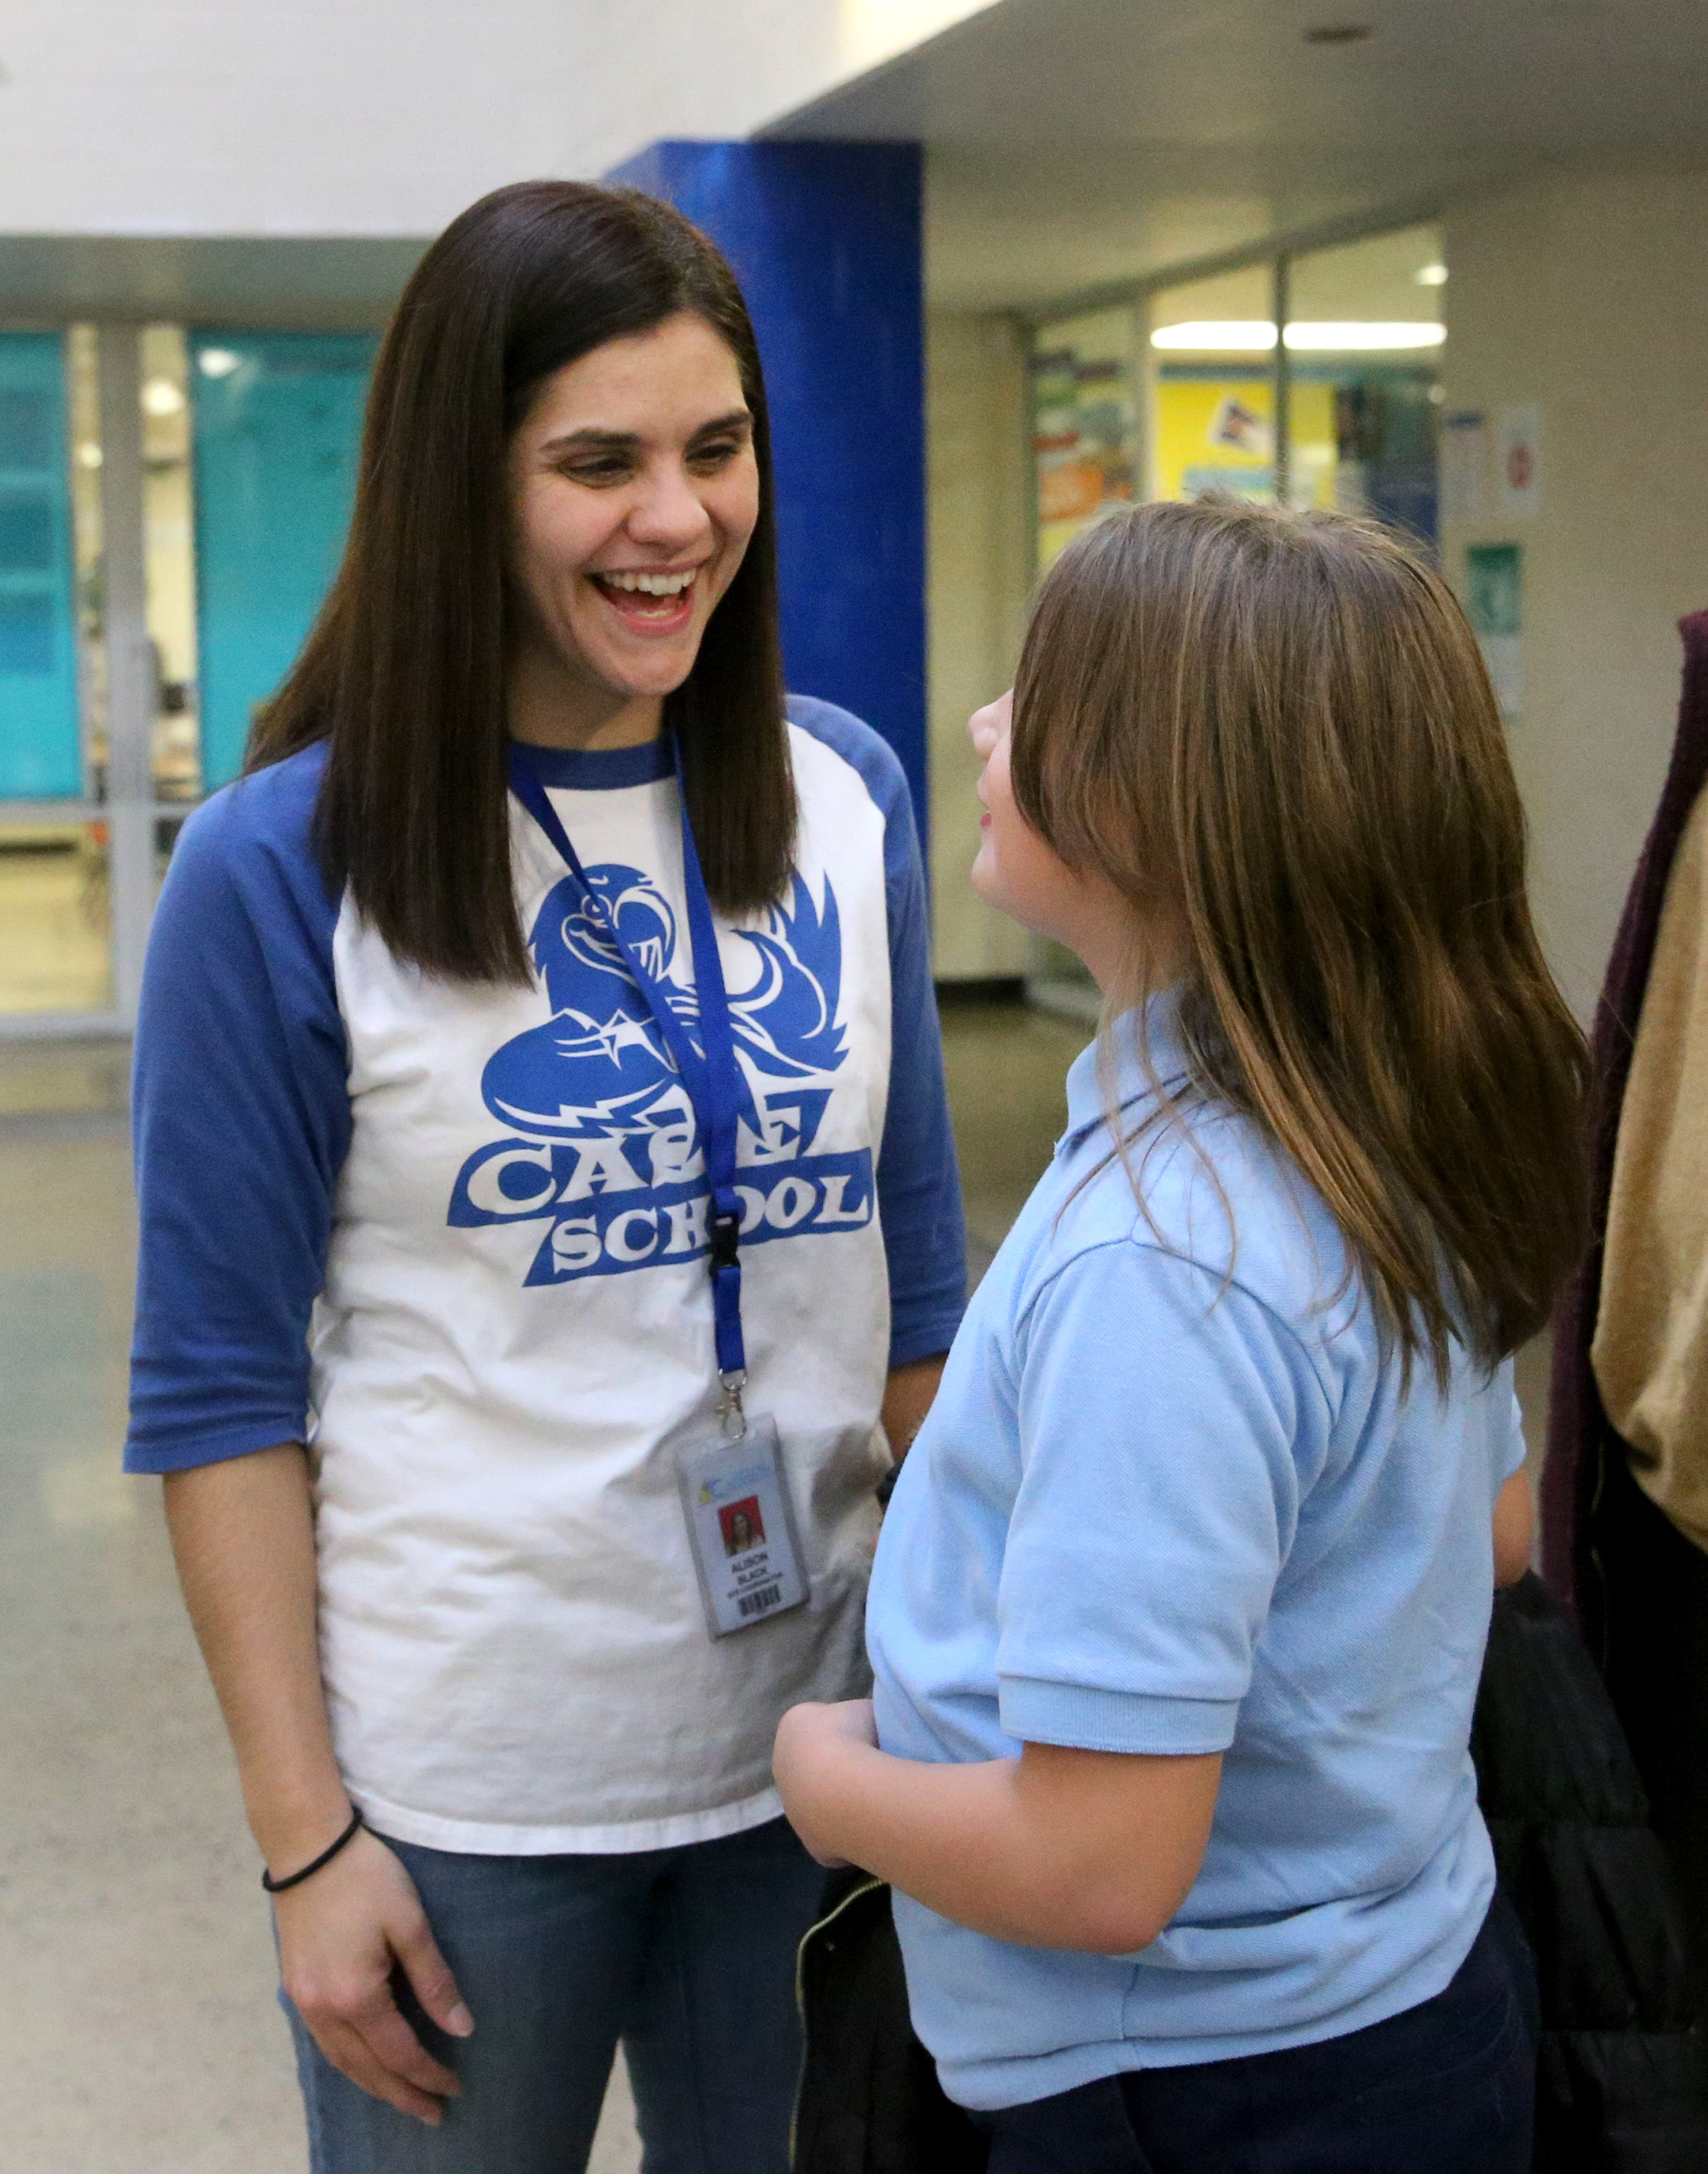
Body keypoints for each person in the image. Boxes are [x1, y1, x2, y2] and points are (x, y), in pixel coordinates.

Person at [125, 180, 964, 2174]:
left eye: (715, 447)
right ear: (460, 487)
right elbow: (217, 1397)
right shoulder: (281, 869)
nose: (675, 519)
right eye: (598, 463)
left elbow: (910, 1271)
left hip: (821, 1756)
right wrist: (303, 1840)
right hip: (466, 1796)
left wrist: (982, 1687)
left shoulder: (841, 796)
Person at [775, 499, 1591, 2173]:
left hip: (1200, 2089)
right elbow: (1491, 1523)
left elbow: (1097, 1868)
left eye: (1039, 698)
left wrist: (822, 1768)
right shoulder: (1369, 1121)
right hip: (1400, 2002)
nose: (988, 727)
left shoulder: (1168, 1259)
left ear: (1167, 804)